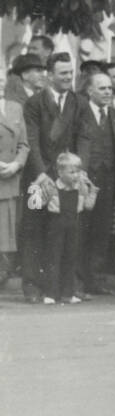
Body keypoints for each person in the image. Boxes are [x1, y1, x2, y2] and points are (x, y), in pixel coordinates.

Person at [21, 56, 82, 303]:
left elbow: (83, 137)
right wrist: (40, 172)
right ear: (49, 75)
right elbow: (32, 139)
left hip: (66, 178)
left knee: (63, 232)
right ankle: (33, 285)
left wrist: (80, 169)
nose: (68, 77)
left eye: (70, 72)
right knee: (34, 230)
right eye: (63, 73)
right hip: (38, 177)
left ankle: (63, 288)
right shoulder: (35, 103)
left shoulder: (78, 102)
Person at [75, 69, 115, 296]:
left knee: (102, 231)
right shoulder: (79, 113)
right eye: (102, 88)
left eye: (109, 88)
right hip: (83, 179)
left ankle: (96, 280)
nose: (107, 92)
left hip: (107, 181)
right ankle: (77, 281)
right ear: (89, 90)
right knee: (81, 229)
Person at [27, 152, 97, 305]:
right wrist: (37, 184)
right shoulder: (52, 187)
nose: (76, 175)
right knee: (53, 259)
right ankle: (51, 293)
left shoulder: (81, 189)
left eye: (78, 171)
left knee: (71, 259)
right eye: (72, 172)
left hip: (73, 228)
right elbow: (36, 205)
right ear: (60, 172)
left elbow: (88, 206)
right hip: (55, 228)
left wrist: (92, 190)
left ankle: (68, 293)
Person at [0, 83, 28, 290]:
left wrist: (17, 163)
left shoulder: (14, 107)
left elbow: (24, 144)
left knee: (5, 236)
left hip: (9, 179)